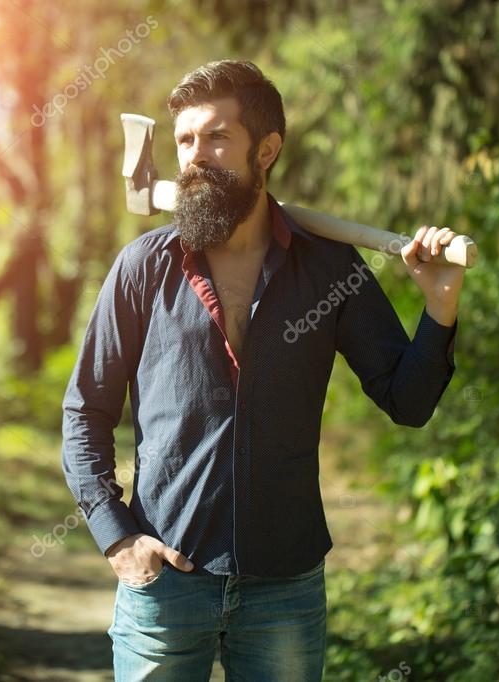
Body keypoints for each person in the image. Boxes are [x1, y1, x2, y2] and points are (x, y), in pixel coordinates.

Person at [60, 59, 464, 681]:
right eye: (186, 140)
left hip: (285, 588)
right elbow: (86, 410)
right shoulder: (144, 267)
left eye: (217, 137)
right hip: (166, 581)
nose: (196, 156)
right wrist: (117, 536)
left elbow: (406, 403)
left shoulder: (331, 269)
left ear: (267, 149)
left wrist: (439, 306)